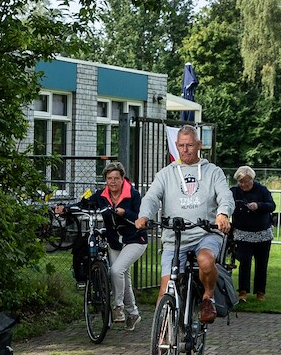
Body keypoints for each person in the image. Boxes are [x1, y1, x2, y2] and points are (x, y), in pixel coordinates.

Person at [134, 125, 233, 325]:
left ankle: (208, 297)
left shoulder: (213, 171)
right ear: (176, 146)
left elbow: (225, 196)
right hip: (175, 237)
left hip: (205, 234)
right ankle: (162, 338)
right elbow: (152, 197)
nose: (185, 150)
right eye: (181, 145)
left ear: (199, 145)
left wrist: (223, 214)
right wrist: (144, 215)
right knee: (165, 288)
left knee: (205, 261)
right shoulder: (166, 173)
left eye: (189, 145)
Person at [54, 161, 149, 330]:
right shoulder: (101, 195)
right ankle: (133, 314)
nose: (113, 182)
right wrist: (65, 209)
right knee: (121, 276)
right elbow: (84, 204)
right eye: (109, 178)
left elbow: (140, 217)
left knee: (116, 270)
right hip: (115, 241)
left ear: (122, 179)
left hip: (134, 239)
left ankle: (118, 307)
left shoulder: (133, 195)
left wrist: (124, 212)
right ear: (105, 179)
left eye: (116, 178)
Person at [230, 166, 276, 302]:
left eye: (246, 181)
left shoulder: (262, 190)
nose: (243, 184)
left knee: (261, 264)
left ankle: (260, 292)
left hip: (262, 234)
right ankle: (243, 292)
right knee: (244, 263)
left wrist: (258, 205)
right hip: (242, 233)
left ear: (252, 179)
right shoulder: (234, 192)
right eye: (240, 182)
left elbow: (271, 205)